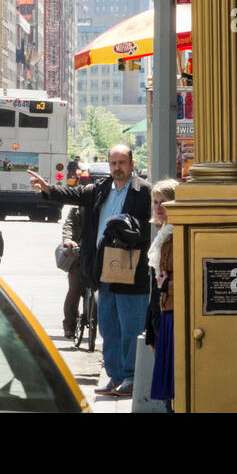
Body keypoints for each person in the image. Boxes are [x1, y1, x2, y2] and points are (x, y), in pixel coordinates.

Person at [29, 144, 151, 398]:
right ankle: (116, 377)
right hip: (102, 267)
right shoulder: (101, 189)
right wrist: (49, 189)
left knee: (130, 326)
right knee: (108, 326)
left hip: (131, 267)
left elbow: (152, 227)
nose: (117, 168)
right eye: (113, 163)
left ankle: (130, 377)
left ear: (131, 163)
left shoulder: (144, 192)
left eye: (122, 163)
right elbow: (73, 195)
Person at [145, 178, 178, 410]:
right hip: (163, 313)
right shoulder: (163, 234)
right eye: (155, 202)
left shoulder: (176, 235)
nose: (158, 207)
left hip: (173, 314)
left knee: (174, 386)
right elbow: (156, 286)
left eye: (164, 202)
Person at [61, 200, 85, 341]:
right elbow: (68, 226)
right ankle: (69, 326)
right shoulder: (76, 210)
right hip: (78, 254)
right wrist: (68, 240)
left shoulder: (104, 206)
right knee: (74, 290)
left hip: (97, 255)